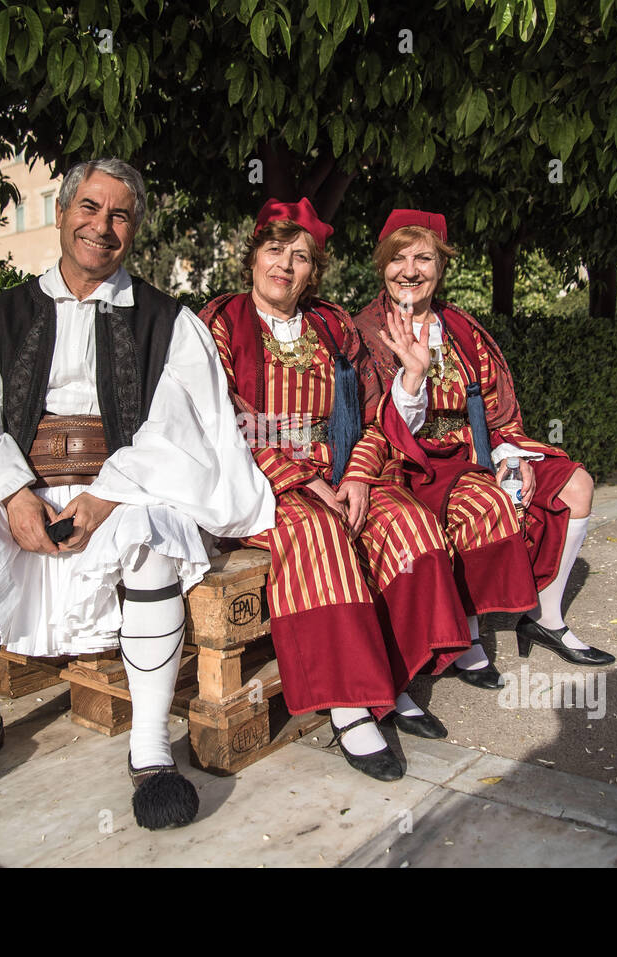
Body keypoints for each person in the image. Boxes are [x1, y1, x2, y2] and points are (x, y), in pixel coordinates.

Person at [0, 159, 275, 829]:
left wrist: (108, 497)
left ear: (133, 230)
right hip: (22, 488)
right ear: (63, 212)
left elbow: (182, 429)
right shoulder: (4, 316)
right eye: (90, 208)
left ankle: (151, 747)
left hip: (124, 487)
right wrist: (14, 493)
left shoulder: (167, 321)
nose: (102, 226)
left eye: (120, 214)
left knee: (155, 547)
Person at [197, 198, 471, 782]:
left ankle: (393, 680)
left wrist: (356, 476)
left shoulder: (334, 323)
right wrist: (305, 481)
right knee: (320, 535)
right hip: (257, 480)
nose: (285, 266)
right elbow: (215, 419)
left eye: (301, 257)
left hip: (339, 472)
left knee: (408, 522)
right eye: (275, 250)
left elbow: (376, 413)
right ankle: (349, 706)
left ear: (313, 271)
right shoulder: (217, 322)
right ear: (252, 257)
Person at [353, 209, 614, 678]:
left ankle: (544, 618)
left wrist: (513, 455)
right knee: (485, 501)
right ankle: (468, 633)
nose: (410, 270)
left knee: (575, 486)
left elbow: (496, 407)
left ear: (442, 267)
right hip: (409, 461)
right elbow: (371, 424)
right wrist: (412, 377)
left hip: (476, 448)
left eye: (424, 259)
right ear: (382, 266)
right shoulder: (363, 333)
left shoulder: (463, 329)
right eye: (399, 259)